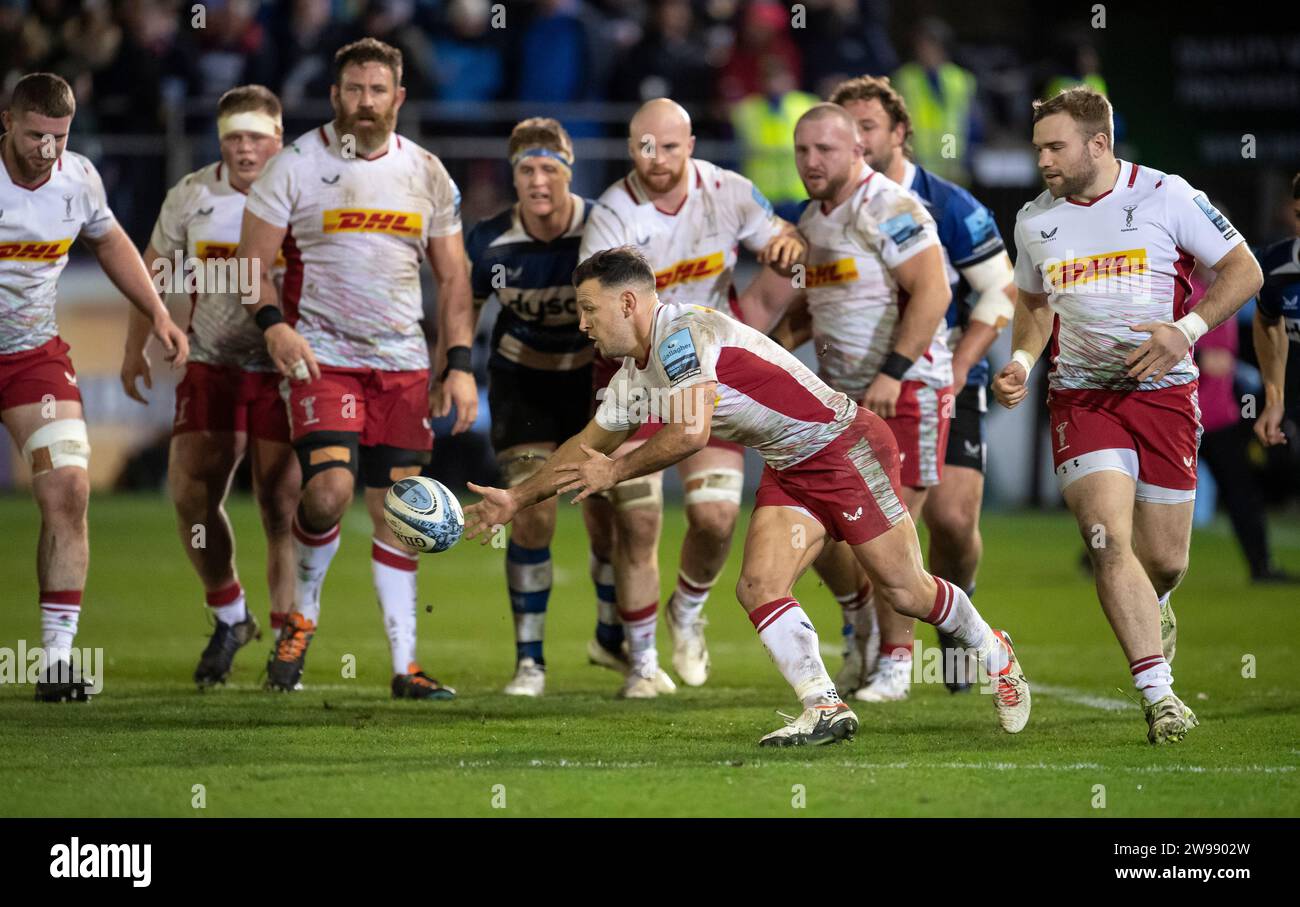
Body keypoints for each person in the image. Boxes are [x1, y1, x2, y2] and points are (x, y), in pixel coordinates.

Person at [463, 246, 1030, 745]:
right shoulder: (634, 377)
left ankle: (996, 654)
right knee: (758, 585)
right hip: (791, 464)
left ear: (629, 303)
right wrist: (516, 500)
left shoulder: (682, 336)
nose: (582, 324)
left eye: (589, 309)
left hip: (843, 445)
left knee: (906, 591)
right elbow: (584, 445)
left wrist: (614, 472)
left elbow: (690, 433)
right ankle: (824, 707)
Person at [992, 87, 1263, 744]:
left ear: (1099, 144)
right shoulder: (1035, 220)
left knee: (1163, 560)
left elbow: (1244, 269)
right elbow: (1033, 307)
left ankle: (1158, 603)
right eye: (1038, 149)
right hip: (1082, 398)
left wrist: (1187, 329)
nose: (1044, 160)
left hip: (1166, 395)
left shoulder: (1167, 194)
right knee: (1107, 540)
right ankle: (1159, 695)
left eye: (1055, 147)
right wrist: (1025, 363)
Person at [235, 38, 476, 699]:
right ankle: (302, 614)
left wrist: (458, 364)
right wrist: (273, 325)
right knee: (328, 492)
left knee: (399, 511)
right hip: (324, 359)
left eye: (377, 91)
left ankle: (405, 666)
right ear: (335, 94)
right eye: (352, 90)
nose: (364, 102)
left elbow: (454, 278)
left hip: (400, 364)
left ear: (398, 98)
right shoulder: (294, 167)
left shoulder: (427, 173)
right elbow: (250, 267)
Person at [577, 97, 804, 697]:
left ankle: (687, 608)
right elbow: (599, 312)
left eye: (670, 146)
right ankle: (644, 662)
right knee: (640, 520)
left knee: (714, 517)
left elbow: (785, 239)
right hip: (632, 371)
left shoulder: (729, 192)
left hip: (703, 373)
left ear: (692, 144)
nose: (657, 159)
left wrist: (787, 246)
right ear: (631, 149)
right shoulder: (610, 216)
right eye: (645, 147)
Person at [742, 102, 957, 705]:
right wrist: (765, 356)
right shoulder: (811, 222)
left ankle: (895, 662)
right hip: (836, 408)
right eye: (802, 151)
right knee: (826, 539)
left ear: (857, 150)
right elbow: (812, 311)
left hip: (906, 392)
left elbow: (933, 290)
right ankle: (861, 620)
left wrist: (893, 372)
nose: (811, 161)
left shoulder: (889, 206)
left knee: (892, 540)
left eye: (825, 150)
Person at [821, 75, 1018, 697]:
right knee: (875, 524)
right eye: (845, 128)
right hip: (862, 386)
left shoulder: (948, 204)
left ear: (899, 133)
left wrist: (962, 366)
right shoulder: (830, 206)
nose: (855, 138)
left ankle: (956, 632)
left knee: (954, 522)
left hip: (939, 379)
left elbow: (1000, 291)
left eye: (868, 127)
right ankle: (883, 647)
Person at [0, 72, 189, 700]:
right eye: (34, 136)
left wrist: (158, 312)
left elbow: (110, 241)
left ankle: (54, 661)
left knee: (71, 487)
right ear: (7, 121)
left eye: (58, 136)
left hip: (31, 358)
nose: (47, 150)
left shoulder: (78, 179)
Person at [119, 84, 299, 688]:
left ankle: (285, 644)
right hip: (213, 363)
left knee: (281, 505)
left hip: (284, 368)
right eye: (233, 138)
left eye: (255, 137)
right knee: (193, 495)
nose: (244, 149)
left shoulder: (305, 194)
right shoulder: (193, 195)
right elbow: (149, 273)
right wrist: (134, 347)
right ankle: (230, 615)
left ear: (279, 138)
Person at [464, 117, 596, 696]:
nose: (538, 180)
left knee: (623, 518)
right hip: (524, 384)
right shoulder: (490, 241)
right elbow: (461, 305)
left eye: (550, 168)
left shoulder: (604, 229)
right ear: (513, 176)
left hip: (596, 386)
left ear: (569, 170)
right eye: (526, 170)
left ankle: (623, 644)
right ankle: (530, 663)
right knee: (533, 511)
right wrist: (455, 370)